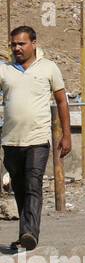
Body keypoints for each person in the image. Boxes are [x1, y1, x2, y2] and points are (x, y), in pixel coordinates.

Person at [1, 27, 70, 251]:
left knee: (33, 184)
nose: (17, 48)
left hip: (37, 140)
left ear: (34, 44)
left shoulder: (49, 68)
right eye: (13, 45)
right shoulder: (5, 70)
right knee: (19, 188)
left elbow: (61, 102)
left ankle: (31, 233)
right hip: (11, 140)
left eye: (21, 44)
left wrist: (66, 135)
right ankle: (25, 233)